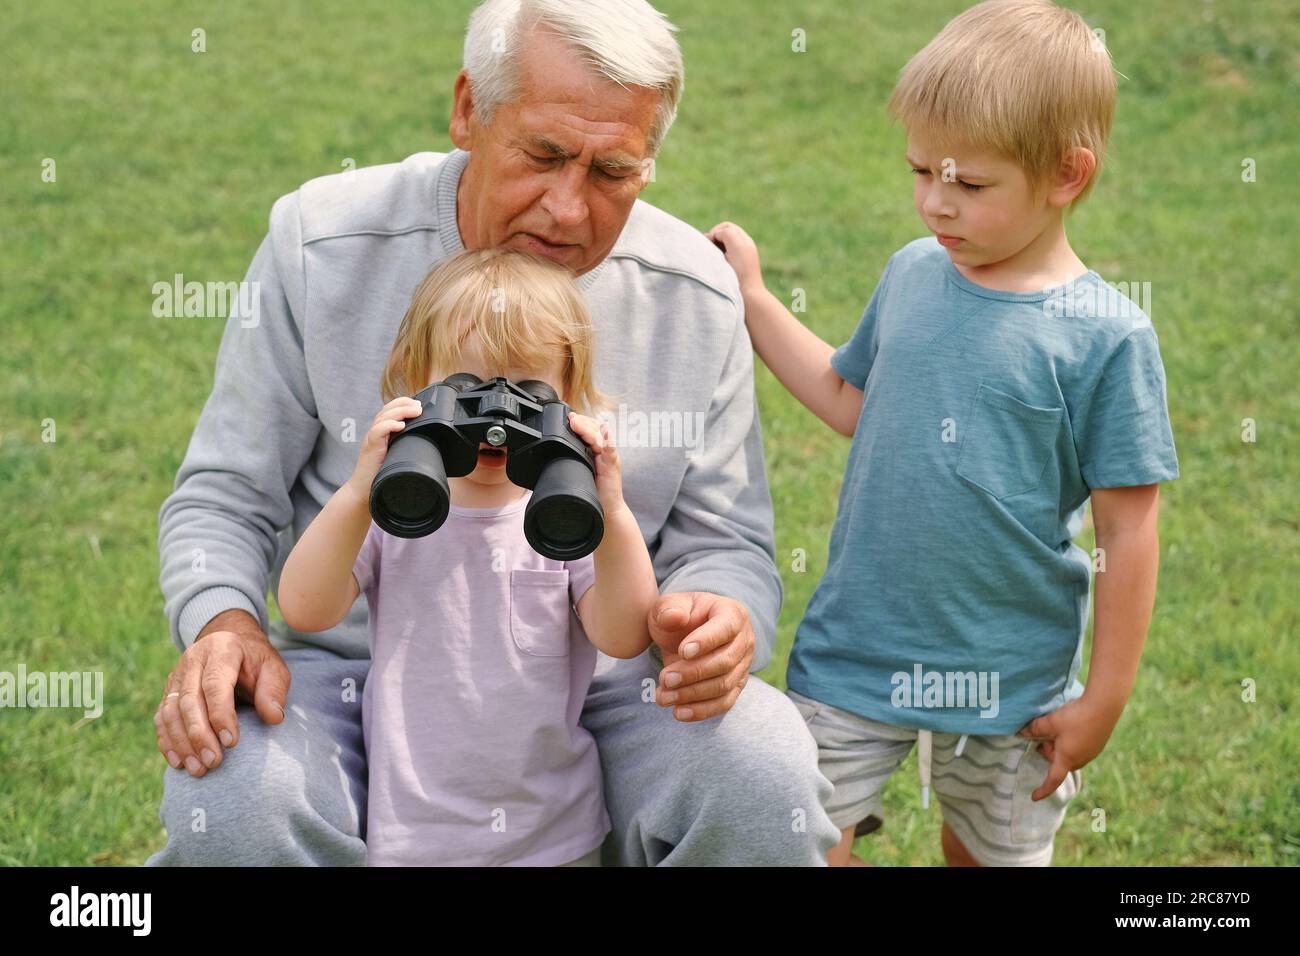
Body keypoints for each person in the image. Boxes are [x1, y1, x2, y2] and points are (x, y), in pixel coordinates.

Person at [149, 0, 841, 866]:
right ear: (469, 108)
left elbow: (727, 540)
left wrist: (722, 613)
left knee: (761, 770)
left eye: (613, 172)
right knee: (240, 791)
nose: (567, 207)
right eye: (544, 154)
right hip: (351, 680)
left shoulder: (695, 292)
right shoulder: (319, 243)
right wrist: (224, 626)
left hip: (609, 670)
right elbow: (223, 496)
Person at [708, 0, 1179, 866]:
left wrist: (1104, 699)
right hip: (856, 655)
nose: (935, 203)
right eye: (922, 171)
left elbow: (1127, 527)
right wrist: (756, 302)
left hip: (1012, 685)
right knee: (801, 842)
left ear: (1067, 175)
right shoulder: (914, 274)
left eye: (969, 184)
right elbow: (856, 403)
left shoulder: (1107, 337)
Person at [276, 248, 657, 866]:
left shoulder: (562, 515)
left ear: (570, 400)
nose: (494, 420)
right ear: (414, 384)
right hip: (417, 835)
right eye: (464, 390)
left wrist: (611, 512)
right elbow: (304, 608)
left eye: (529, 393)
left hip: (555, 832)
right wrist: (355, 494)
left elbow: (624, 634)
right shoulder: (400, 507)